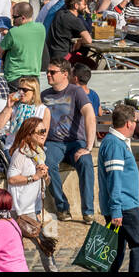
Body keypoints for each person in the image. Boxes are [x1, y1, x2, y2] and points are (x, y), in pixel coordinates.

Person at [40, 58, 96, 222]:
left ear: (65, 74)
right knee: (47, 163)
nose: (48, 75)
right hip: (53, 142)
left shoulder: (76, 91)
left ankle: (88, 211)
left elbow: (90, 115)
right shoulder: (44, 95)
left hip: (75, 142)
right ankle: (62, 207)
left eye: (52, 72)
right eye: (47, 72)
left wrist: (89, 146)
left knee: (86, 162)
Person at [98, 103, 139, 272]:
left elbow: (125, 180)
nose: (135, 124)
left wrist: (137, 201)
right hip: (123, 207)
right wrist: (116, 210)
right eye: (135, 120)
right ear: (129, 123)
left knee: (116, 251)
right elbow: (115, 179)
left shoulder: (116, 142)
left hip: (125, 203)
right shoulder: (115, 145)